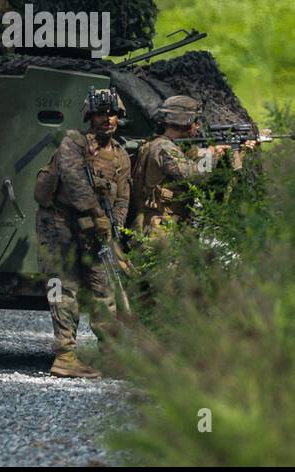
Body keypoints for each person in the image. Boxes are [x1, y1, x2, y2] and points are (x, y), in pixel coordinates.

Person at [33, 87, 131, 379]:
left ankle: (111, 356)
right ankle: (65, 356)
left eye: (112, 114)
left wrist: (113, 229)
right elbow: (75, 183)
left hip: (94, 231)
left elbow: (123, 197)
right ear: (90, 116)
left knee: (104, 290)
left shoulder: (121, 156)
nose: (107, 119)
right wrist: (98, 216)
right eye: (101, 113)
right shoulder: (73, 143)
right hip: (59, 224)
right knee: (65, 288)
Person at [130, 95, 245, 244]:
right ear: (185, 121)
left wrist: (233, 150)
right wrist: (210, 155)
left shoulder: (171, 146)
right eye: (195, 121)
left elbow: (194, 157)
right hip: (158, 226)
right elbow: (196, 176)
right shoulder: (163, 148)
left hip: (166, 222)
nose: (198, 126)